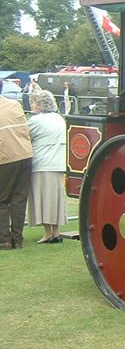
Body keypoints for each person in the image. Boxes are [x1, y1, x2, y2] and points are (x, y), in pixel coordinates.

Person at [27, 90, 68, 244]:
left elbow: (26, 136)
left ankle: (47, 233)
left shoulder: (35, 120)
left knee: (42, 198)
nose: (32, 105)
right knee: (55, 198)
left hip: (41, 163)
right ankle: (56, 232)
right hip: (58, 163)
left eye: (33, 102)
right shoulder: (59, 118)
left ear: (39, 104)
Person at [0, 95, 33, 249]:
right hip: (25, 155)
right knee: (19, 200)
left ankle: (4, 240)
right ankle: (17, 239)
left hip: (5, 158)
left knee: (2, 201)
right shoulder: (14, 104)